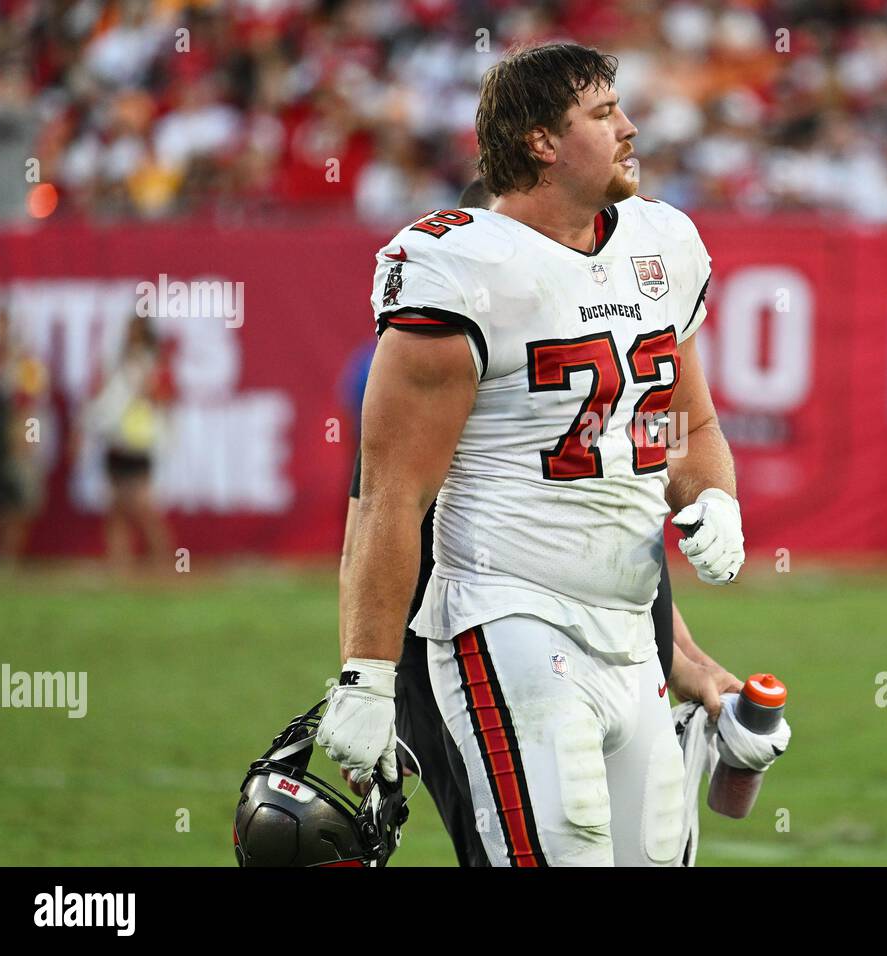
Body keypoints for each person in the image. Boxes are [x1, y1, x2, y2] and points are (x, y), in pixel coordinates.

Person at [323, 41, 752, 867]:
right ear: (540, 143)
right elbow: (389, 499)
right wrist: (367, 676)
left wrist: (710, 497)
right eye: (602, 114)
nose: (629, 128)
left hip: (629, 622)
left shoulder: (660, 246)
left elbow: (683, 428)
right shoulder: (463, 267)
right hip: (505, 613)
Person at [79, 314, 173, 568]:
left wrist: (146, 387)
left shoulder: (152, 363)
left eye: (136, 331)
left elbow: (163, 398)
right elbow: (100, 396)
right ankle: (119, 564)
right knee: (116, 506)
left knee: (142, 505)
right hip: (116, 439)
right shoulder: (116, 362)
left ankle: (164, 559)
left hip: (138, 441)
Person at [0, 307, 51, 562]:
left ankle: (8, 556)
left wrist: (28, 439)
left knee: (19, 499)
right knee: (0, 500)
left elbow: (31, 405)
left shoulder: (27, 365)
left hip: (19, 438)